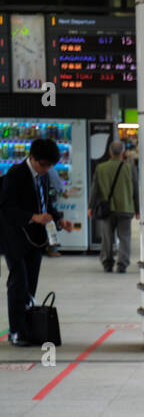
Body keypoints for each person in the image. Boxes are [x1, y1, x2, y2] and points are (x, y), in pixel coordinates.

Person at [1, 138, 72, 346]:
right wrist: (33, 217)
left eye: (50, 166)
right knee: (18, 282)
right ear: (32, 158)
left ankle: (27, 327)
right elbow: (6, 208)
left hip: (35, 239)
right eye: (43, 165)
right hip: (14, 238)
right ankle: (15, 331)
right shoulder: (16, 174)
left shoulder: (44, 176)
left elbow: (46, 203)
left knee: (30, 284)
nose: (46, 169)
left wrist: (59, 220)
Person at [89, 139, 139, 272]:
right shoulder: (130, 168)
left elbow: (95, 190)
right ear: (123, 152)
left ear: (110, 152)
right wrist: (138, 209)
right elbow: (135, 190)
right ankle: (122, 264)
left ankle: (107, 263)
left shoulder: (101, 168)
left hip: (107, 209)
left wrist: (90, 207)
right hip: (125, 208)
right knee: (125, 237)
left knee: (107, 238)